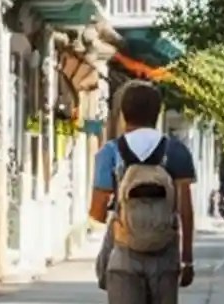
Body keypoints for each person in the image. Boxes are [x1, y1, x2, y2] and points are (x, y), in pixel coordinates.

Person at [90, 81, 196, 303]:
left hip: (124, 254)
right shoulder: (176, 151)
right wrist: (187, 259)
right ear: (157, 114)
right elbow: (186, 211)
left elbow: (97, 212)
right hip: (165, 255)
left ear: (123, 114)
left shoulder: (110, 152)